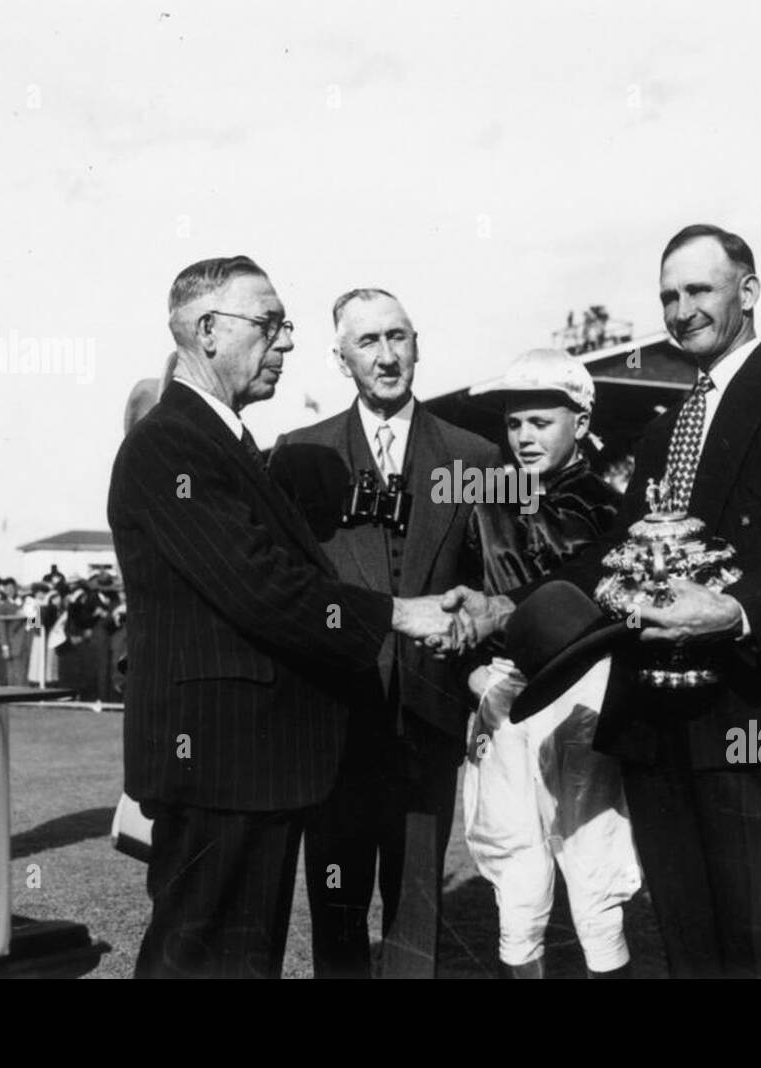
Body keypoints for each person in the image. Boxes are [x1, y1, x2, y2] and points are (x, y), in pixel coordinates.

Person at [445, 223, 761, 978]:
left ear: (748, 291)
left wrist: (733, 608)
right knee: (692, 944)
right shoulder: (665, 429)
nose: (681, 311)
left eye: (699, 290)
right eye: (668, 296)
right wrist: (503, 610)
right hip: (660, 725)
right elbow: (612, 554)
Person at [107, 255, 457, 978]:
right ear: (208, 331)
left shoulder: (220, 439)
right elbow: (261, 586)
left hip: (245, 764)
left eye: (285, 325)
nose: (288, 343)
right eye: (268, 324)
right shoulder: (174, 442)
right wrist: (398, 613)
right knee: (205, 959)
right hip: (219, 767)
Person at [267, 287, 502, 979]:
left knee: (417, 908)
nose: (387, 355)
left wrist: (476, 634)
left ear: (417, 344)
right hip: (336, 725)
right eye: (367, 342)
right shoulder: (299, 454)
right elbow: (286, 587)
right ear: (340, 359)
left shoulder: (476, 456)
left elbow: (495, 583)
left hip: (429, 720)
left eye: (398, 337)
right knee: (337, 908)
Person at [457, 349, 638, 978]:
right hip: (506, 688)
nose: (525, 437)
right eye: (514, 423)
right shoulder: (481, 497)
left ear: (581, 422)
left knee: (595, 858)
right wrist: (471, 673)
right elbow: (459, 591)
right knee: (517, 865)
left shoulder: (615, 505)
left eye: (542, 421)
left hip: (586, 685)